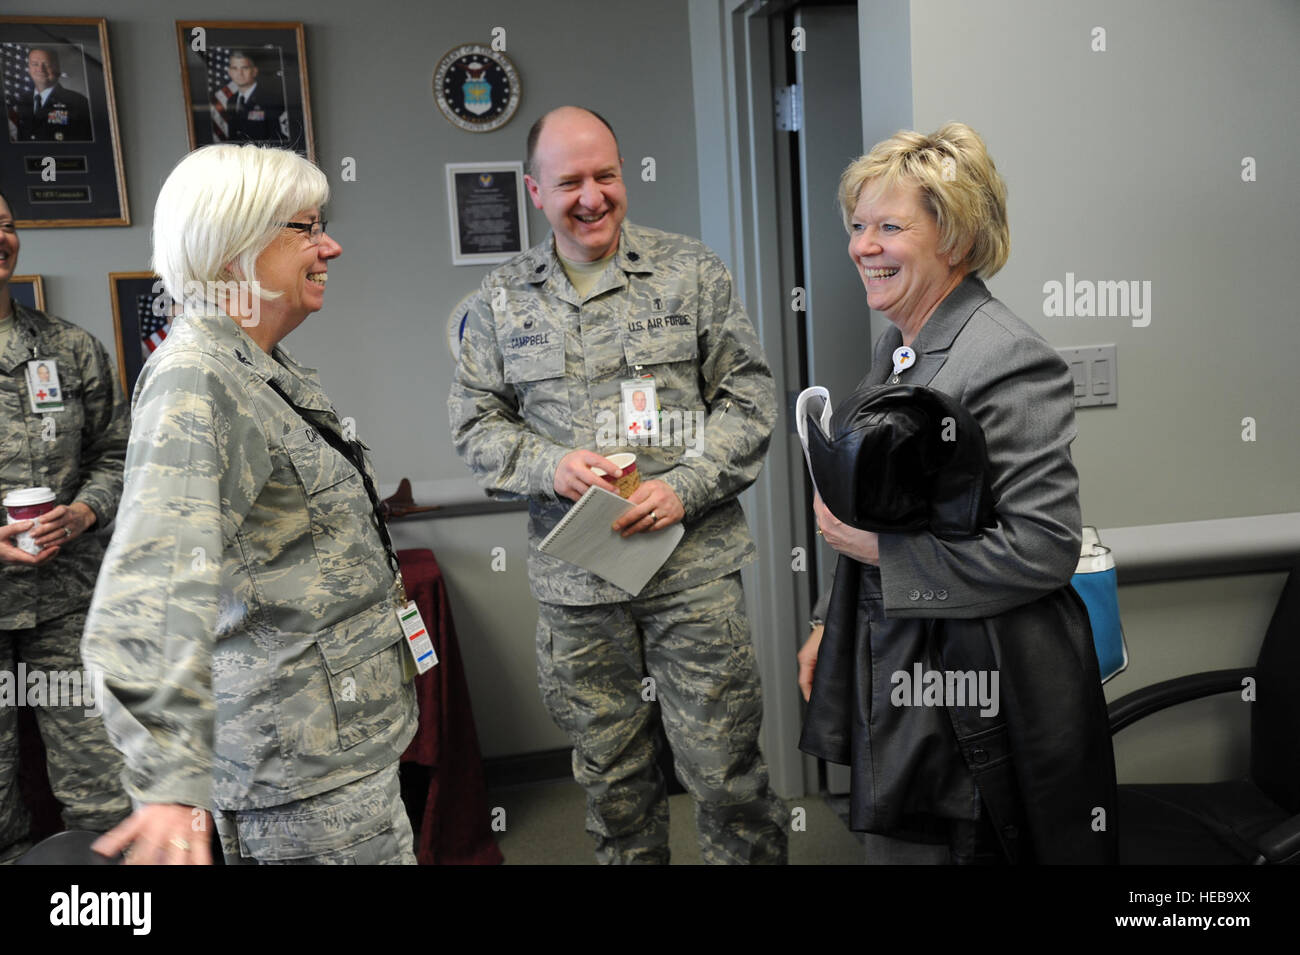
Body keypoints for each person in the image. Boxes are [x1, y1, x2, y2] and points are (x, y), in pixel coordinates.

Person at [450, 106, 788, 864]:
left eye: (605, 175)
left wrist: (689, 485)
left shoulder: (689, 270)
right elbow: (476, 427)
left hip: (691, 572)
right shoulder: (501, 300)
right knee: (613, 787)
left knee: (728, 776)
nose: (592, 196)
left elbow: (750, 399)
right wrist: (551, 465)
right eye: (570, 181)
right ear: (535, 191)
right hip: (578, 586)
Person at [81, 144, 418, 865]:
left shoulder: (255, 365)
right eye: (306, 227)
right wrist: (168, 781)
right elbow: (148, 592)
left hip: (330, 757)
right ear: (235, 250)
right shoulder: (198, 379)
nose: (330, 245)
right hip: (299, 783)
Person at [797, 123, 1117, 864]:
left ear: (957, 237)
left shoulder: (1006, 356)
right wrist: (827, 620)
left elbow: (1041, 548)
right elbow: (877, 504)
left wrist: (883, 554)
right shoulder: (902, 343)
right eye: (857, 226)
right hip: (902, 651)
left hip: (976, 675)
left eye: (889, 227)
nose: (862, 246)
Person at [0, 188, 130, 864]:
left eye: (7, 224)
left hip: (70, 602)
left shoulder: (69, 348)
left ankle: (110, 907)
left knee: (103, 789)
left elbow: (116, 452)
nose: (1, 238)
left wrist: (84, 511)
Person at [13, 47, 93, 143]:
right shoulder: (22, 100)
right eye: (35, 64)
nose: (40, 69)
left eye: (46, 64)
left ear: (57, 68)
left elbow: (85, 143)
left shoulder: (77, 102)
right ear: (29, 69)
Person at [220, 51, 287, 145]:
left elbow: (278, 138)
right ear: (229, 72)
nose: (239, 73)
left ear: (254, 71)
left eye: (245, 68)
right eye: (234, 68)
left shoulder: (271, 99)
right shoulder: (231, 100)